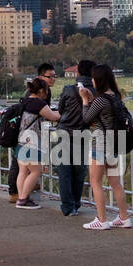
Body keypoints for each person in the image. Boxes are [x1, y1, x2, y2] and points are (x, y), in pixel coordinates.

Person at [80, 63, 132, 230]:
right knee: (116, 183)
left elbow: (86, 118)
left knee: (96, 182)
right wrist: (91, 98)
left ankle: (101, 220)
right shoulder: (116, 96)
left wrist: (84, 100)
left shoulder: (101, 99)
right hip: (115, 143)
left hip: (100, 144)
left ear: (98, 80)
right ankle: (124, 218)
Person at [8, 62, 55, 203]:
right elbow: (51, 115)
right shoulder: (38, 100)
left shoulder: (29, 97)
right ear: (41, 78)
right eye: (50, 76)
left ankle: (18, 195)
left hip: (22, 136)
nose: (53, 79)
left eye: (54, 76)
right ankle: (21, 197)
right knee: (33, 170)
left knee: (22, 169)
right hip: (31, 139)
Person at [54, 59, 94, 216]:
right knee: (79, 172)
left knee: (64, 172)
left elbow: (61, 109)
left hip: (64, 133)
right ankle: (76, 204)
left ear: (77, 72)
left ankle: (67, 207)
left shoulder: (68, 89)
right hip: (82, 135)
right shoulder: (95, 92)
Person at [14, 77, 60, 210]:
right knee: (35, 171)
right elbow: (53, 117)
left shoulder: (25, 101)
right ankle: (23, 200)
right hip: (32, 142)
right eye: (46, 90)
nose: (46, 93)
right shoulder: (39, 104)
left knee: (22, 171)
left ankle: (22, 197)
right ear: (41, 91)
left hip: (21, 140)